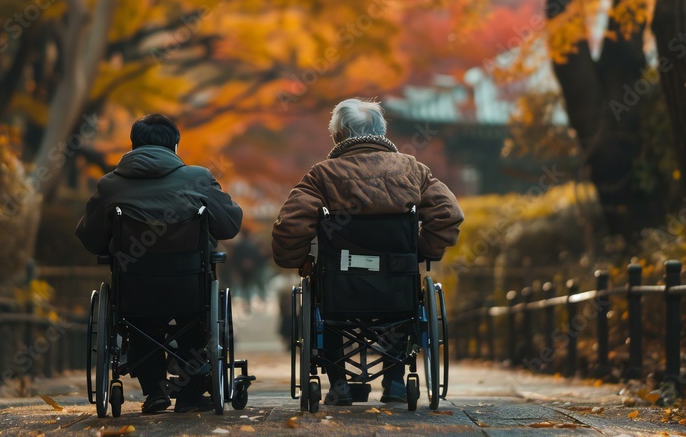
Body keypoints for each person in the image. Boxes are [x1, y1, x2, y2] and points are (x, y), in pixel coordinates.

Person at [271, 98, 464, 406]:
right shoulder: (412, 169)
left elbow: (289, 225)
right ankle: (395, 382)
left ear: (338, 135)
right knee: (400, 306)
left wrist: (299, 261)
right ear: (380, 131)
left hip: (342, 287)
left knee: (325, 291)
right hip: (396, 283)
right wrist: (421, 250)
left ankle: (339, 385)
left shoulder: (322, 175)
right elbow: (448, 214)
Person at [76, 114, 243, 414]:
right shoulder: (198, 178)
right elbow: (230, 226)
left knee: (138, 321)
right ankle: (190, 393)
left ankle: (154, 391)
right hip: (189, 285)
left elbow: (89, 238)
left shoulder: (111, 185)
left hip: (135, 287)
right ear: (175, 147)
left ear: (133, 146)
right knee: (196, 317)